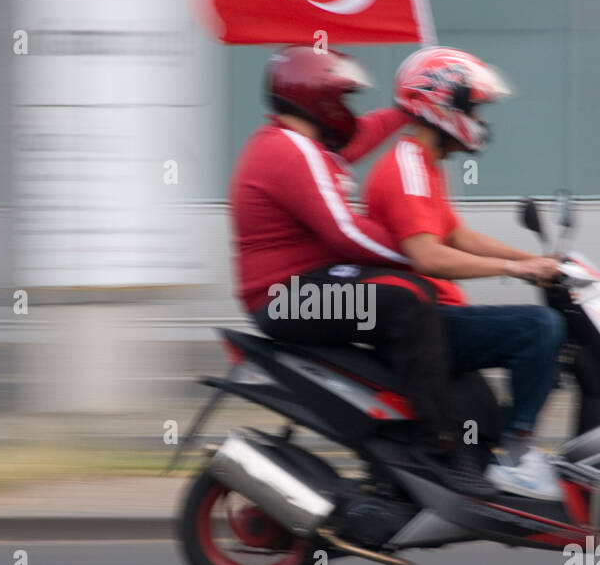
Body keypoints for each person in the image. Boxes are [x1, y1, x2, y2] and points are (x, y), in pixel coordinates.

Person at [229, 45, 496, 497]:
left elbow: (362, 136)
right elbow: (346, 235)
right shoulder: (291, 151)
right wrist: (420, 254)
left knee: (412, 293)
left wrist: (412, 106)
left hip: (308, 289)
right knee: (408, 297)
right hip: (289, 298)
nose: (349, 110)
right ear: (319, 99)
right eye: (344, 99)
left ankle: (402, 428)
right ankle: (437, 443)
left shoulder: (301, 145)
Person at [362, 46, 567, 499]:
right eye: (472, 108)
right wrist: (516, 267)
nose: (478, 120)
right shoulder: (407, 169)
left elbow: (456, 235)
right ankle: (517, 456)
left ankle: (509, 447)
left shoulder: (423, 166)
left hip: (432, 317)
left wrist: (536, 264)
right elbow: (429, 257)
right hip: (424, 326)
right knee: (540, 327)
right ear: (441, 106)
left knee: (545, 335)